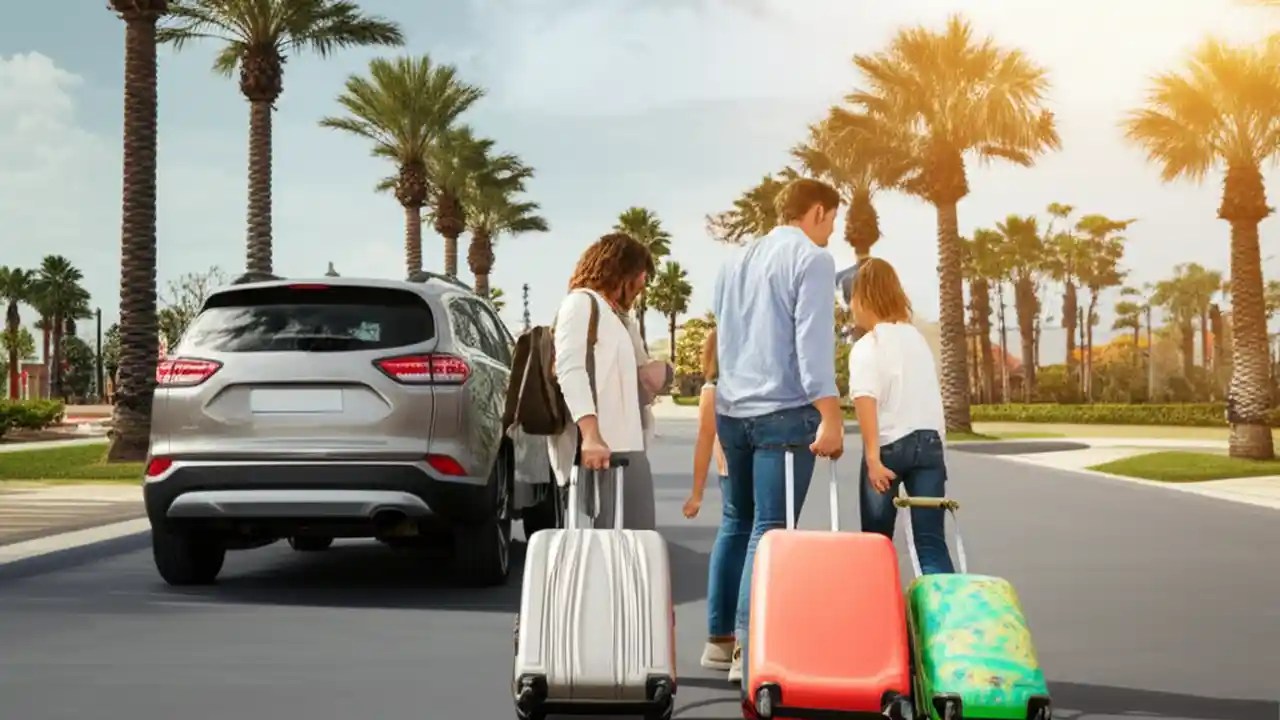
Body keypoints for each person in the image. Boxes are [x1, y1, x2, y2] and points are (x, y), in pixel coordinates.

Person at [712, 177, 845, 684]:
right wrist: (831, 415)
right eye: (832, 219)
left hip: (732, 409)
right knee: (770, 530)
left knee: (736, 522)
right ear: (816, 212)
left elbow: (725, 337)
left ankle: (720, 640)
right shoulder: (812, 260)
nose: (831, 231)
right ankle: (751, 648)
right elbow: (812, 347)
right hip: (783, 413)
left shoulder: (734, 261)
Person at [847, 257, 956, 575]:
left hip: (890, 448)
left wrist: (872, 459)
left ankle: (879, 617)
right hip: (929, 445)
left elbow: (866, 399)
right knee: (931, 541)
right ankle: (944, 619)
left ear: (864, 298)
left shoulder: (868, 345)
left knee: (877, 543)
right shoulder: (917, 339)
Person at [549, 232, 658, 530]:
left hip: (627, 450)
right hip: (601, 453)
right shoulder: (581, 303)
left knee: (634, 549)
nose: (643, 283)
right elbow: (569, 369)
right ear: (621, 271)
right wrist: (591, 436)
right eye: (640, 274)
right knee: (599, 552)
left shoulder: (616, 317)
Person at [681, 328, 745, 672]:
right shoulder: (718, 390)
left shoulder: (715, 390)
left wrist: (697, 493)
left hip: (729, 474)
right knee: (742, 537)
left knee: (736, 535)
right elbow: (703, 442)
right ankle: (730, 639)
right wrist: (695, 493)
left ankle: (722, 638)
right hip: (735, 473)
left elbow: (704, 443)